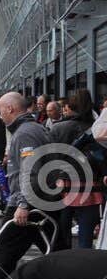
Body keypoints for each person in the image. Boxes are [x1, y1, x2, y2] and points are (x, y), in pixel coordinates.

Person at [0, 91, 59, 279]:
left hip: (28, 203)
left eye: (1, 111)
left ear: (10, 109)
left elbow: (31, 171)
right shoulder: (35, 128)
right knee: (55, 252)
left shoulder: (25, 133)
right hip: (44, 200)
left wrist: (23, 205)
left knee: (3, 254)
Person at [48, 89, 99, 249]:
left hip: (63, 185)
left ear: (70, 106)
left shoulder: (58, 128)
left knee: (62, 237)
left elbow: (50, 159)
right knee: (86, 239)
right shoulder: (97, 127)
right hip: (92, 186)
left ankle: (64, 268)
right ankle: (85, 269)